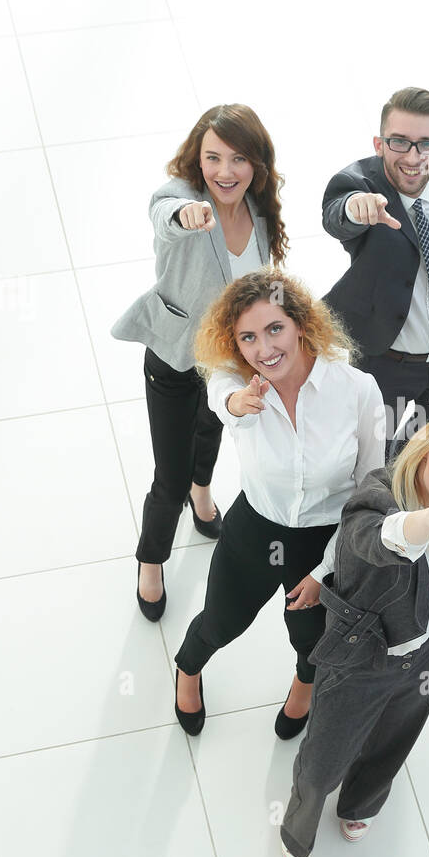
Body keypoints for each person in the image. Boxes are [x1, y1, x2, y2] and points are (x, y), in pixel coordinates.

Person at [278, 406, 429, 857]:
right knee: (324, 755)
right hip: (360, 655)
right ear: (427, 451)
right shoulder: (378, 494)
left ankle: (361, 803)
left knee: (393, 742)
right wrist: (427, 521)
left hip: (422, 655)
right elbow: (373, 539)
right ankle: (300, 822)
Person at [170, 270, 385, 740]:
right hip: (257, 527)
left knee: (312, 636)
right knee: (220, 620)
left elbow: (370, 490)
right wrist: (238, 402)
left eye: (274, 329)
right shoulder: (237, 382)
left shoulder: (357, 389)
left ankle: (303, 687)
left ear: (301, 324)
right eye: (248, 337)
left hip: (325, 538)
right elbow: (221, 397)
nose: (264, 349)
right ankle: (188, 669)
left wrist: (325, 567)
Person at [112, 104, 287, 620]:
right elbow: (164, 215)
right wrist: (185, 217)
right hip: (173, 354)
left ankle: (203, 491)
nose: (225, 172)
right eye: (213, 158)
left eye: (238, 159)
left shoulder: (259, 208)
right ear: (198, 158)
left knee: (211, 432)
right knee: (168, 473)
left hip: (226, 360)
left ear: (256, 163)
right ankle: (151, 558)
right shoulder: (181, 197)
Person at [320, 86, 429, 451]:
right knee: (369, 460)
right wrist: (357, 208)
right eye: (399, 142)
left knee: (428, 458)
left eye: (426, 144)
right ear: (379, 143)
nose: (414, 157)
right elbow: (337, 215)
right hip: (385, 365)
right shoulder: (359, 186)